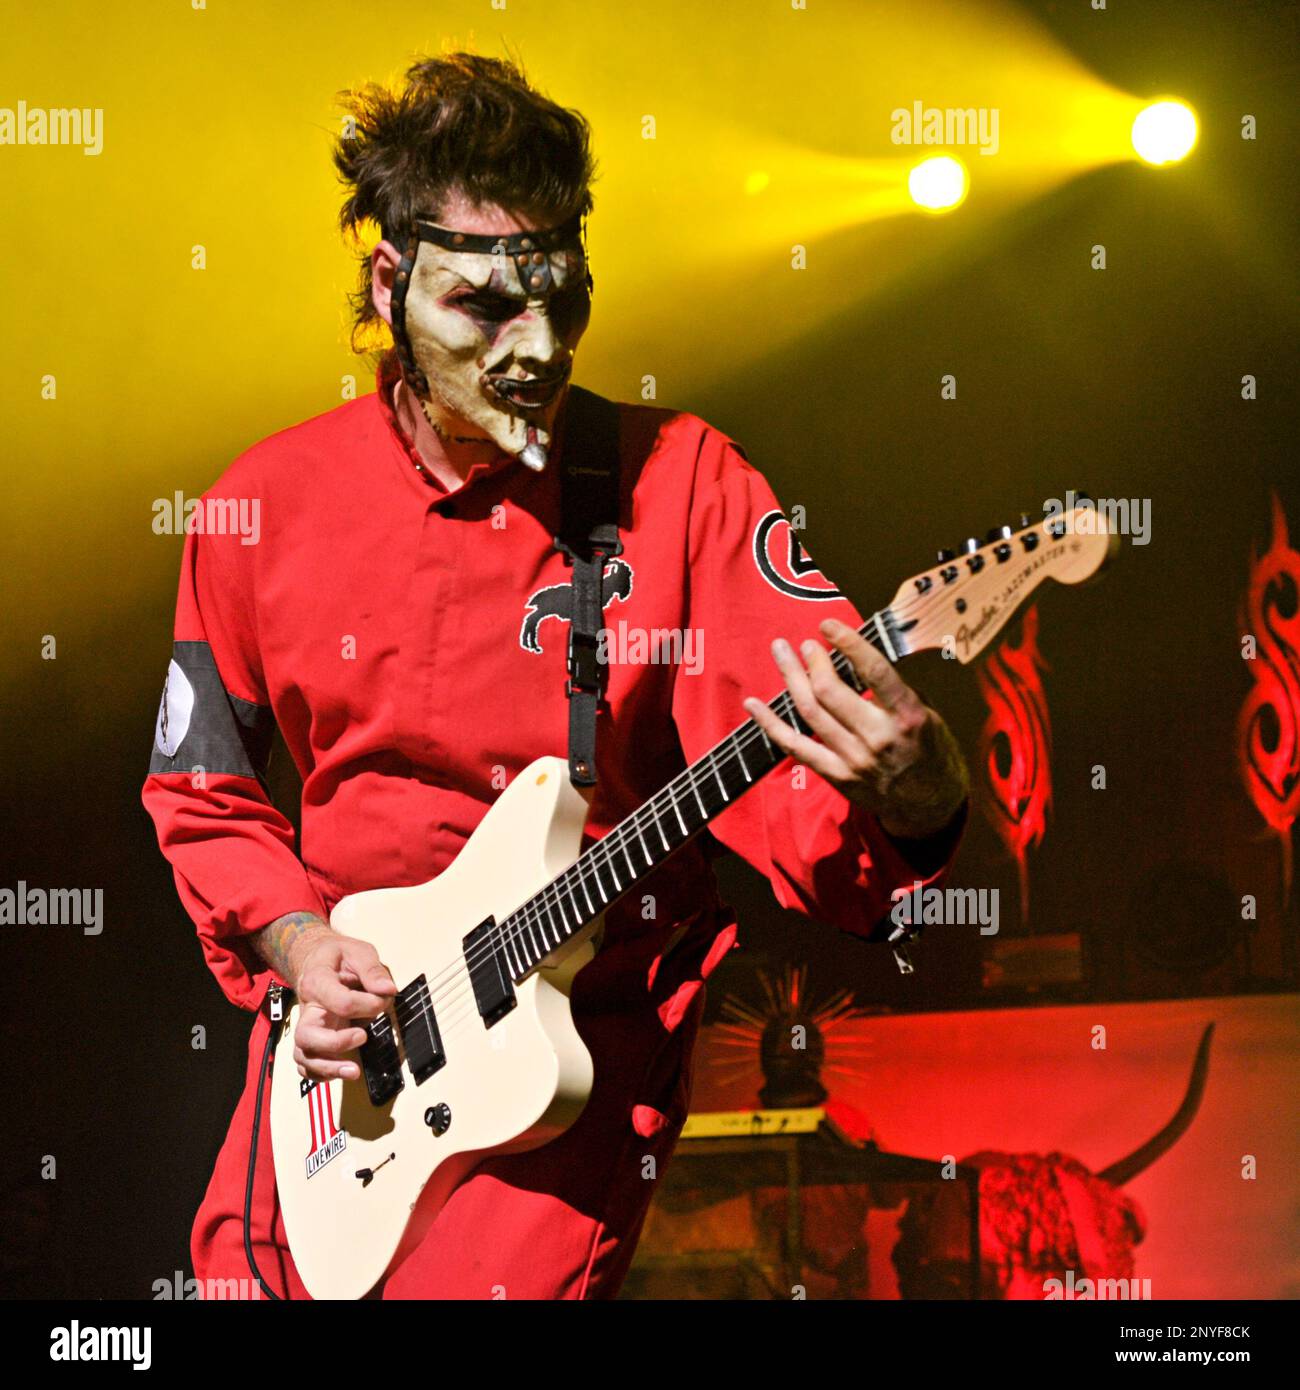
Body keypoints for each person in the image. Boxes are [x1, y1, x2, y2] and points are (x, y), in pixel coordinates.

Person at [142, 52, 969, 1301]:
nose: (534, 350)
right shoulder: (260, 503)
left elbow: (828, 785)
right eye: (482, 308)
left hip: (567, 1067)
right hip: (337, 1060)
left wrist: (919, 790)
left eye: (561, 301)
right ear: (389, 282)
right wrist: (301, 943)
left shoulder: (679, 483)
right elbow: (202, 788)